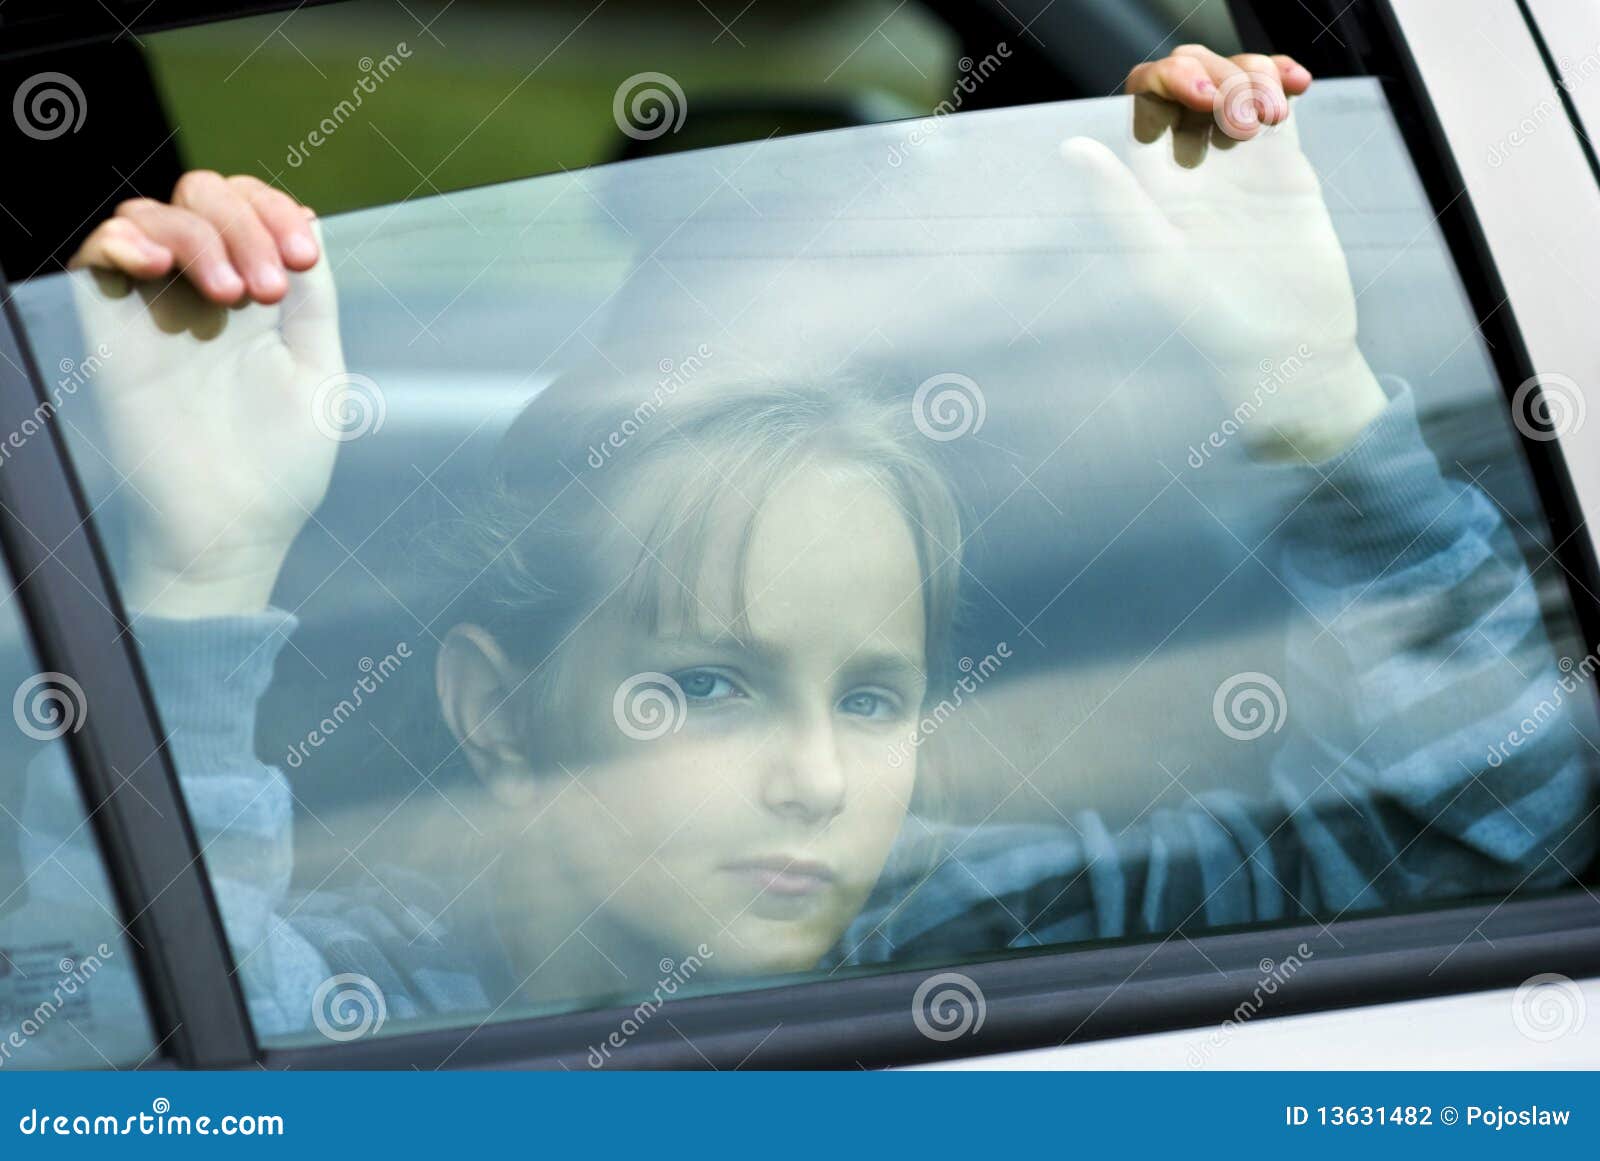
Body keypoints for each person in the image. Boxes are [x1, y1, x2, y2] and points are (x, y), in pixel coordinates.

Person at [21, 46, 1597, 1041]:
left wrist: (1314, 396)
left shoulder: (982, 917)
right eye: (705, 685)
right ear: (496, 702)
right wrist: (205, 572)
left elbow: (1492, 836)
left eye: (871, 697)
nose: (819, 780)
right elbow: (105, 1024)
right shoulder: (362, 995)